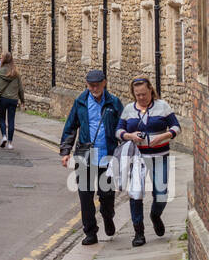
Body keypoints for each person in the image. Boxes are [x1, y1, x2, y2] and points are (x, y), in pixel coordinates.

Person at [60, 69, 124, 247]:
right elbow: (71, 127)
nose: (94, 88)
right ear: (86, 85)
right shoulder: (80, 102)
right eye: (90, 85)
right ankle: (90, 232)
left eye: (97, 85)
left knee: (107, 195)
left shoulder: (114, 103)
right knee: (85, 197)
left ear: (104, 83)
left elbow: (124, 125)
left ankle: (108, 216)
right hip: (86, 156)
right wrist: (65, 151)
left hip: (107, 156)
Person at [116, 77, 181, 247]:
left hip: (160, 156)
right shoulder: (129, 109)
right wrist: (130, 136)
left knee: (161, 193)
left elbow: (176, 127)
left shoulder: (163, 106)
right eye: (137, 95)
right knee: (135, 194)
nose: (141, 98)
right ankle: (139, 233)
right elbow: (119, 131)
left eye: (144, 94)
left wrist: (163, 136)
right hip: (137, 158)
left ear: (151, 90)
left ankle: (155, 215)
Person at [0, 52, 25, 149]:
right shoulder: (16, 73)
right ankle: (10, 143)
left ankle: (4, 136)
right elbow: (21, 89)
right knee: (11, 120)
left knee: (1, 118)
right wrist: (22, 101)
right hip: (13, 100)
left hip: (2, 99)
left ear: (4, 60)